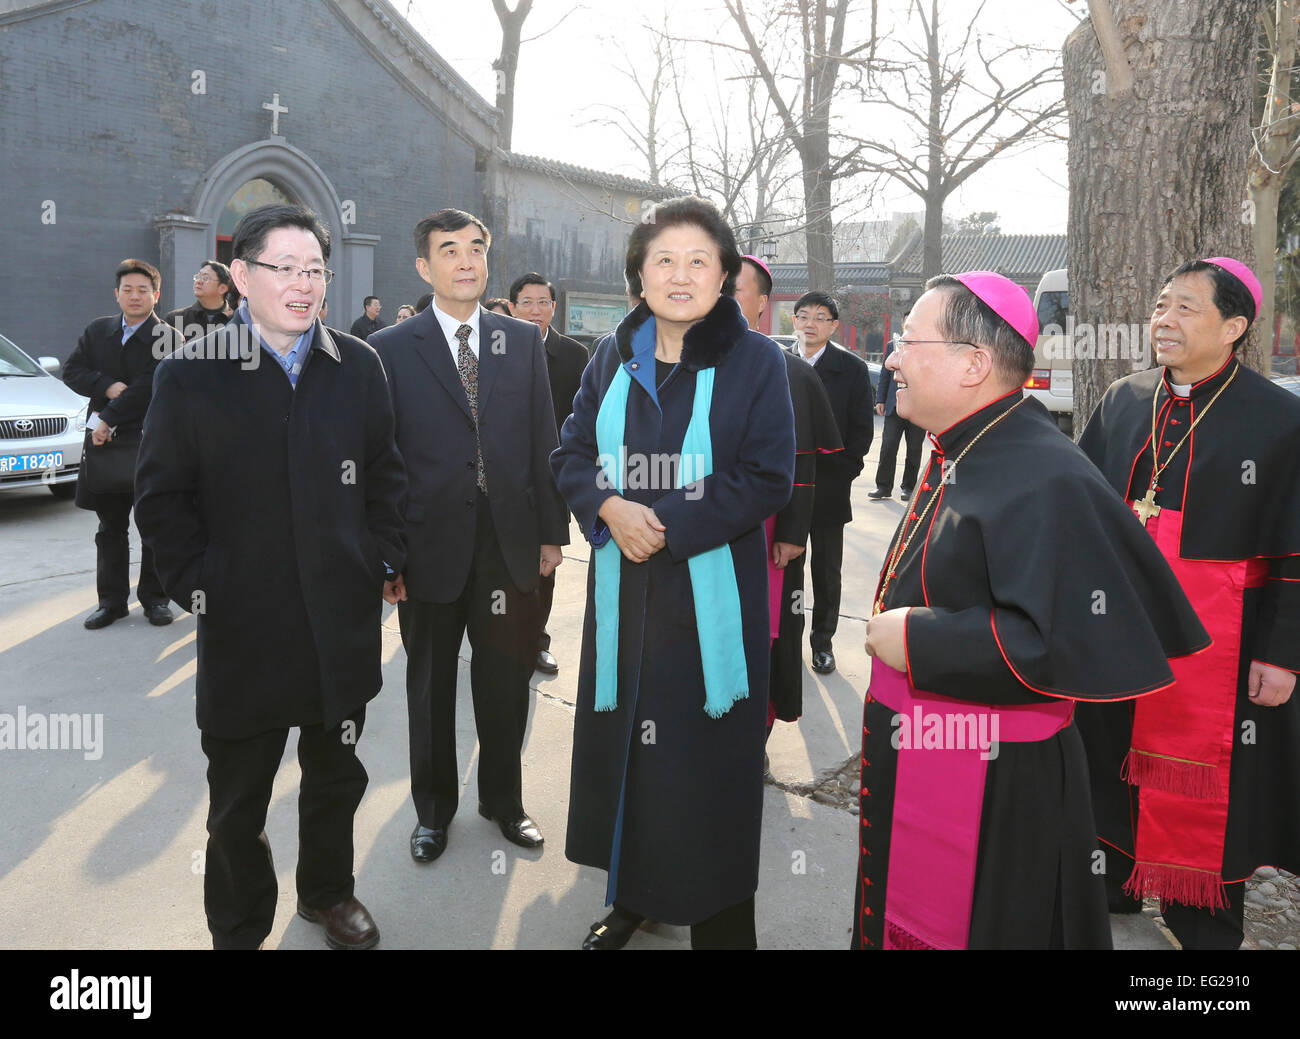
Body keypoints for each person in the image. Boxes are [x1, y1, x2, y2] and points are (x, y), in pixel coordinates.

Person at [856, 270, 1208, 949]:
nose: (892, 357)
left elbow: (1068, 641)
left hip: (996, 786)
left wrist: (920, 639)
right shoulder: (965, 442)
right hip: (934, 743)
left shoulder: (1046, 473)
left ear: (974, 363)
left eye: (906, 340)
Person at [134, 204, 407, 950]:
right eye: (283, 267)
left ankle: (328, 893)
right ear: (243, 277)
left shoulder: (359, 365)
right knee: (238, 800)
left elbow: (387, 474)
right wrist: (203, 584)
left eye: (314, 268)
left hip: (338, 624)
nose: (302, 283)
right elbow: (161, 498)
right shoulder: (193, 373)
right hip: (243, 628)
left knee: (335, 776)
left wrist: (380, 556)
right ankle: (239, 924)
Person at [552, 196, 795, 950]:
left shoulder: (757, 361)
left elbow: (767, 476)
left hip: (708, 600)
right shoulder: (611, 354)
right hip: (625, 598)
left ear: (725, 276)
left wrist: (662, 522)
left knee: (706, 770)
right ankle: (633, 896)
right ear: (640, 274)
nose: (680, 274)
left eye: (699, 260)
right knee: (630, 753)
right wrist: (608, 506)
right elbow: (569, 453)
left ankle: (723, 929)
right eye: (664, 259)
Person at [1076, 257, 1300, 950]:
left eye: (1185, 309)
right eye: (1161, 305)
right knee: (1108, 757)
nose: (1163, 321)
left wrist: (1283, 653)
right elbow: (1083, 508)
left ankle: (1202, 920)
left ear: (1234, 326)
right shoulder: (1123, 396)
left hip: (1221, 645)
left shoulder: (1279, 417)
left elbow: (1295, 554)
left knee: (1207, 786)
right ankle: (1112, 877)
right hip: (1120, 630)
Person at [371, 209, 569, 865]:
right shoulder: (394, 348)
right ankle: (433, 811)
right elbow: (381, 459)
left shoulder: (521, 340)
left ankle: (504, 801)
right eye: (448, 250)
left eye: (476, 249)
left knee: (507, 679)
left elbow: (545, 441)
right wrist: (387, 552)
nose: (465, 261)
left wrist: (550, 533)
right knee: (429, 686)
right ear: (425, 267)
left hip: (508, 543)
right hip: (427, 546)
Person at [732, 255, 842, 732]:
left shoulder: (787, 370)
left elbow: (803, 458)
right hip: (692, 527)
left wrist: (795, 532)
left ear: (762, 304)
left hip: (765, 531)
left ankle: (754, 731)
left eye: (734, 290)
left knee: (764, 631)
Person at [63, 258, 181, 630]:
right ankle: (111, 602)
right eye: (127, 290)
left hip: (151, 441)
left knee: (153, 526)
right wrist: (106, 386)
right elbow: (72, 371)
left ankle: (156, 599)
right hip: (106, 445)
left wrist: (109, 416)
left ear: (156, 295)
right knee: (109, 526)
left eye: (142, 290)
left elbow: (152, 385)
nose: (134, 296)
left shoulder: (169, 338)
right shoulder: (98, 331)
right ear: (116, 295)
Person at [509, 271, 590, 676]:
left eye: (543, 302)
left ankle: (537, 641)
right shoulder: (497, 347)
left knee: (546, 561)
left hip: (552, 477)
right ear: (511, 307)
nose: (535, 310)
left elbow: (587, 418)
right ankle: (505, 640)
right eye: (526, 302)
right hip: (503, 475)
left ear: (554, 308)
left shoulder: (575, 355)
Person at [795, 291, 874, 674]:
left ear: (833, 325)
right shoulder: (779, 363)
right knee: (786, 567)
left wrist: (845, 471)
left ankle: (822, 643)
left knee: (826, 571)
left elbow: (861, 431)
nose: (810, 323)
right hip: (784, 488)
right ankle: (783, 641)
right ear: (793, 321)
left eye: (820, 317)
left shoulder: (851, 368)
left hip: (828, 488)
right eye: (803, 315)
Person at [869, 333, 925, 501]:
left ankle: (908, 488)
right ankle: (883, 486)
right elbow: (885, 374)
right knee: (888, 446)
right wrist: (880, 399)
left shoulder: (927, 345)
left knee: (914, 449)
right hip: (894, 405)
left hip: (918, 406)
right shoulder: (892, 346)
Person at [166, 261, 236, 343]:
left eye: (205, 278)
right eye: (198, 277)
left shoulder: (235, 320)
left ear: (222, 288)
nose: (198, 281)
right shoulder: (176, 319)